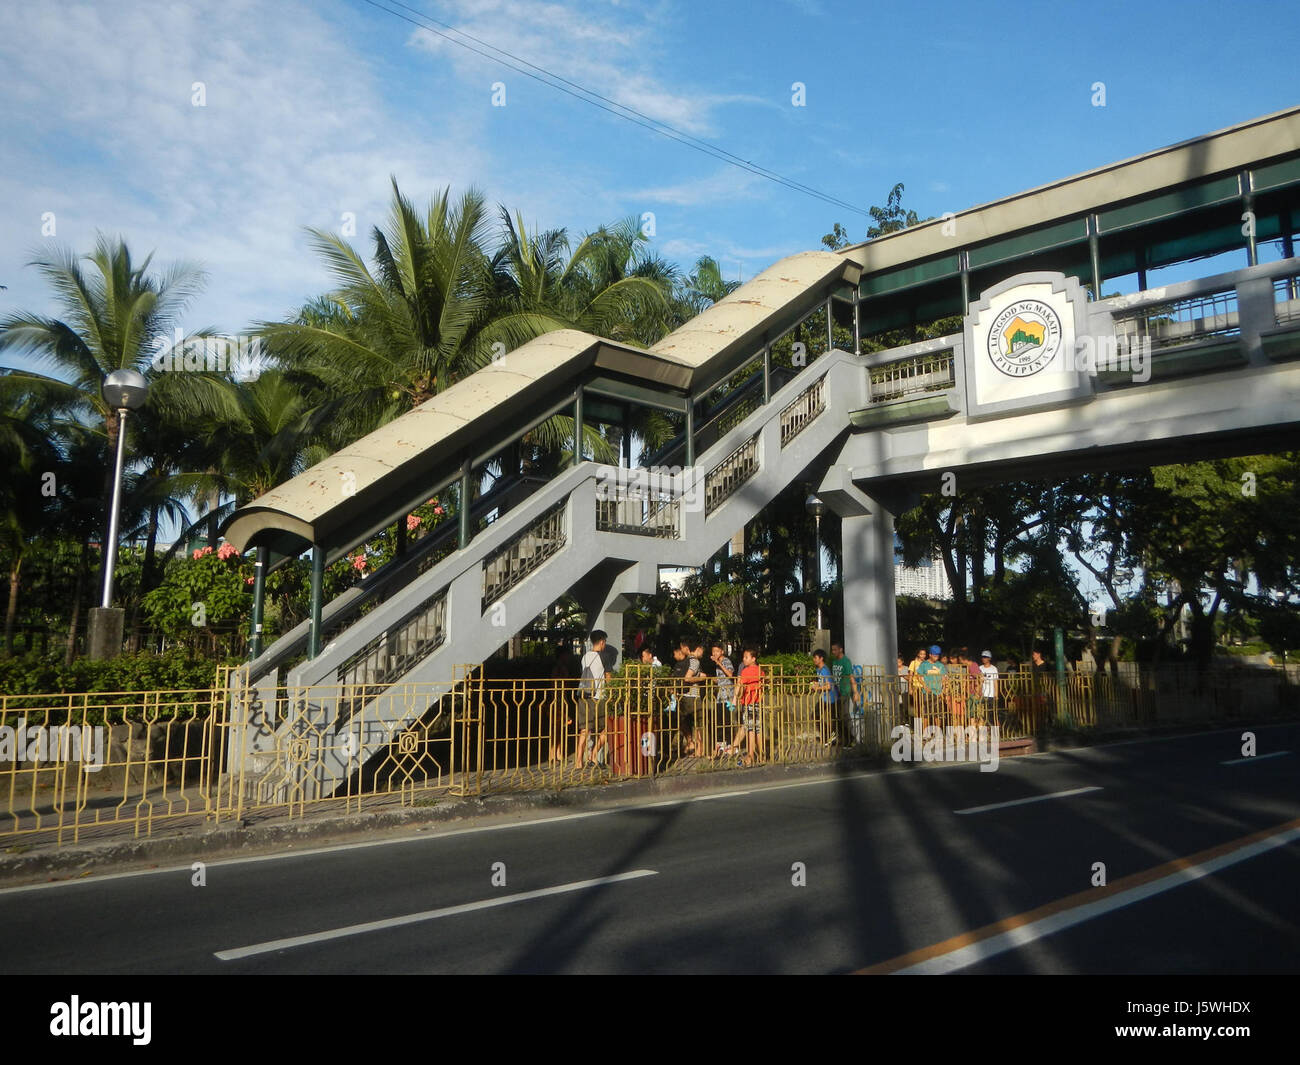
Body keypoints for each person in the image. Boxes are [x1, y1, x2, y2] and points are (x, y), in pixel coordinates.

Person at [576, 630, 610, 769]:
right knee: (605, 729)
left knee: (584, 730)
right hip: (598, 697)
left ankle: (579, 761)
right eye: (605, 642)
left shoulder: (584, 657)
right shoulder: (604, 657)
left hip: (584, 696)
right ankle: (594, 755)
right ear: (601, 641)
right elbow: (608, 678)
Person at [726, 647, 765, 765]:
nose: (744, 659)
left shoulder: (745, 671)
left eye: (746, 657)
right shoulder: (760, 671)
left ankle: (750, 756)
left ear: (753, 659)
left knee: (750, 729)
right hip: (758, 702)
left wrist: (734, 701)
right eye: (744, 657)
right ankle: (762, 755)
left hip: (748, 703)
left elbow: (739, 685)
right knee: (758, 729)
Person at [830, 642, 861, 746]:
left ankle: (851, 739)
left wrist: (855, 692)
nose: (833, 652)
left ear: (840, 649)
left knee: (845, 716)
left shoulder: (846, 661)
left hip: (844, 692)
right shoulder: (834, 661)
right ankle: (840, 738)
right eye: (832, 650)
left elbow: (851, 677)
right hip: (835, 693)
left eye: (835, 650)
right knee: (837, 717)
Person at [710, 642, 736, 752]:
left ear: (722, 652)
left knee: (727, 720)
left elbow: (730, 674)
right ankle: (721, 743)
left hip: (728, 696)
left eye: (717, 651)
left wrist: (719, 663)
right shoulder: (717, 663)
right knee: (719, 719)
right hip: (720, 695)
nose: (715, 653)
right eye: (713, 651)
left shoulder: (726, 661)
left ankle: (730, 744)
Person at [812, 649, 837, 746]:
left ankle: (830, 737)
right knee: (816, 716)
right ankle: (829, 737)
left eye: (815, 658)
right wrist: (816, 684)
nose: (814, 660)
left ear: (821, 658)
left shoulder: (825, 670)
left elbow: (829, 686)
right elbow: (822, 683)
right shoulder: (818, 669)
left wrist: (818, 687)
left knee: (836, 720)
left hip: (831, 698)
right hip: (825, 697)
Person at [917, 644, 946, 719]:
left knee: (938, 715)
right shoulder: (924, 664)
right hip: (926, 693)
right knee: (926, 715)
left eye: (937, 656)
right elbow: (919, 677)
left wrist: (943, 690)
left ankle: (937, 730)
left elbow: (944, 678)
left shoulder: (941, 665)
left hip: (938, 693)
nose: (936, 657)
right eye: (934, 655)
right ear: (930, 655)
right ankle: (925, 730)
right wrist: (924, 686)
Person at [978, 651, 999, 723]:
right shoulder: (980, 668)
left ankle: (992, 729)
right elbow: (978, 682)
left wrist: (996, 694)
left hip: (991, 694)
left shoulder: (994, 669)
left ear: (989, 658)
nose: (983, 658)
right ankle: (984, 728)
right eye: (982, 657)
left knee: (991, 713)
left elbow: (995, 682)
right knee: (981, 713)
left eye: (985, 657)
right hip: (982, 694)